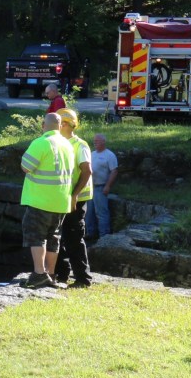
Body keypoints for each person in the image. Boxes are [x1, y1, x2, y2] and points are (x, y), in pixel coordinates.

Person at [19, 112, 75, 289]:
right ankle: (50, 274)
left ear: (43, 125)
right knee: (54, 237)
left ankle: (39, 274)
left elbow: (26, 167)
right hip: (61, 201)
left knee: (37, 236)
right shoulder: (67, 145)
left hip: (40, 200)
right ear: (60, 126)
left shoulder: (41, 143)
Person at [53, 108, 93, 288]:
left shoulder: (80, 145)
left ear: (65, 124)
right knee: (57, 236)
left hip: (76, 198)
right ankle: (61, 274)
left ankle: (82, 279)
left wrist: (75, 195)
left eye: (58, 123)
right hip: (62, 197)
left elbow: (87, 171)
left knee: (74, 238)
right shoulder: (58, 143)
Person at [85, 133, 119, 239]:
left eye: (97, 141)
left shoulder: (109, 155)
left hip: (101, 187)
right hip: (90, 187)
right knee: (88, 213)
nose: (95, 143)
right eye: (94, 141)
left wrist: (108, 186)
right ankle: (90, 233)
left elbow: (114, 171)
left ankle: (104, 236)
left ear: (103, 142)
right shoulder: (92, 154)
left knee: (101, 213)